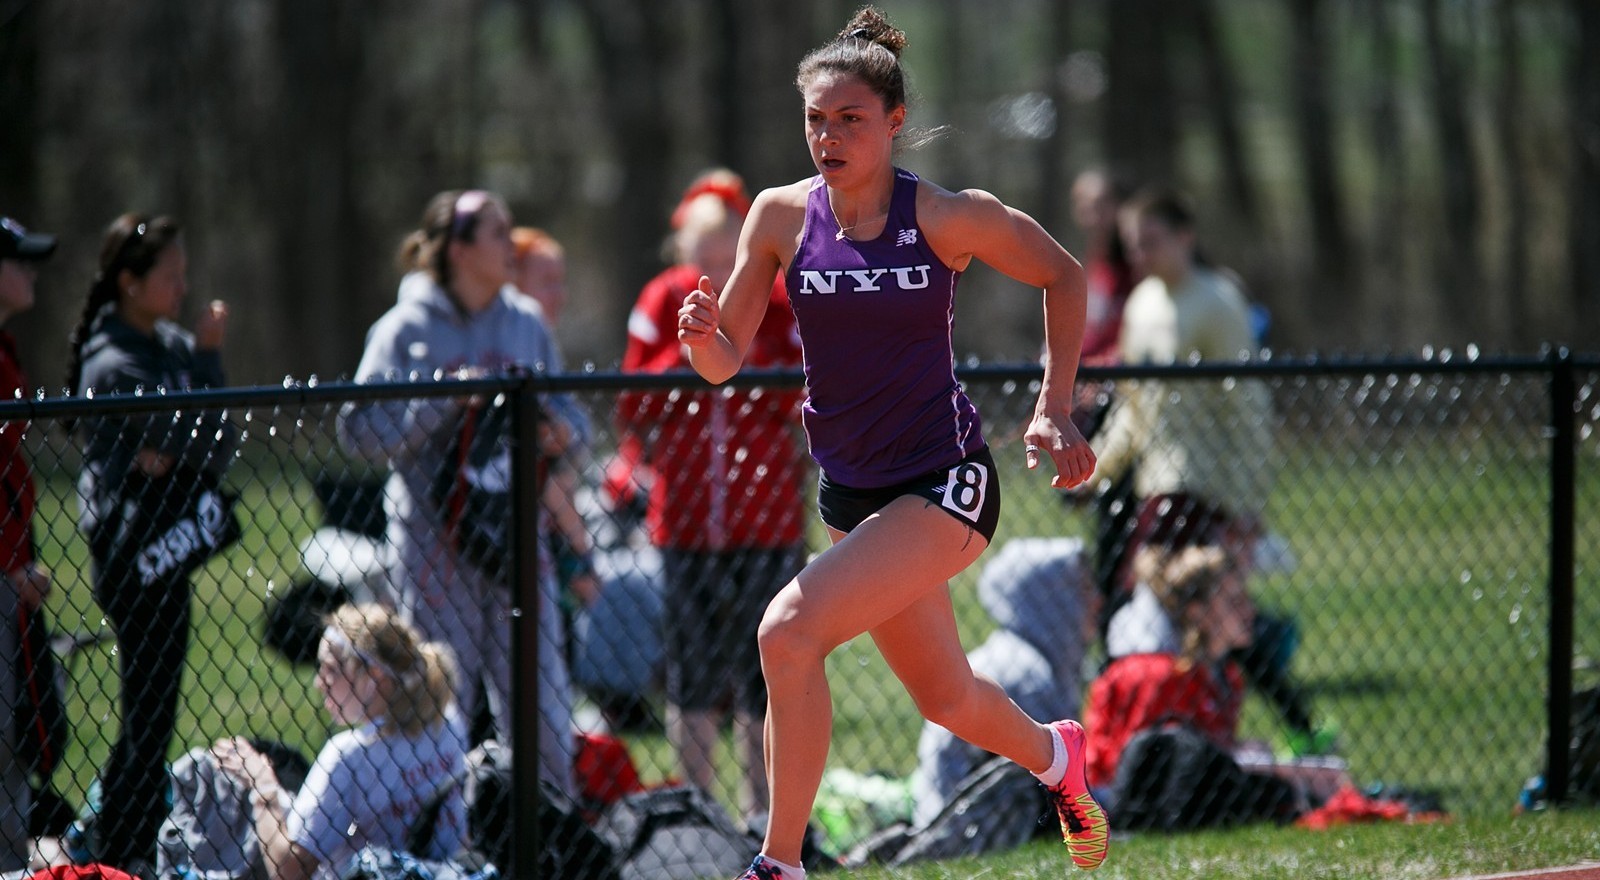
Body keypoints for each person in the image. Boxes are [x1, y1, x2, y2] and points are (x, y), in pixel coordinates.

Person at [675, 8, 1109, 875]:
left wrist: (1054, 406)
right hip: (853, 494)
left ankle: (780, 862)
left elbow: (1065, 273)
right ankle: (1060, 757)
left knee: (785, 632)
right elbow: (724, 363)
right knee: (947, 697)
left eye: (850, 120)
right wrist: (700, 342)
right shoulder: (779, 218)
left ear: (894, 121)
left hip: (947, 483)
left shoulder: (945, 216)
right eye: (815, 120)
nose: (828, 137)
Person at [338, 189, 588, 797]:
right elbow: (356, 431)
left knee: (543, 702)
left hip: (516, 539)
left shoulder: (524, 323)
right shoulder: (403, 331)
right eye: (498, 234)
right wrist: (443, 399)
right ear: (458, 248)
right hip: (435, 547)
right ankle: (443, 837)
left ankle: (552, 839)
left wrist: (558, 431)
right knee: (441, 702)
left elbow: (575, 420)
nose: (511, 245)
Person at [1087, 187, 1326, 752]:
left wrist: (1246, 505)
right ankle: (1176, 732)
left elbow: (1247, 409)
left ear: (1185, 237)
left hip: (1207, 488)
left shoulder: (1217, 302)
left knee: (1202, 616)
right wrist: (1096, 469)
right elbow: (1133, 404)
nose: (1140, 255)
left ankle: (1221, 733)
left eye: (1152, 242)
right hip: (1156, 487)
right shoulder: (1142, 304)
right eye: (1132, 245)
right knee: (1181, 617)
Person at [618, 169, 808, 818]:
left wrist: (744, 354)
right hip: (687, 524)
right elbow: (632, 403)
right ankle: (696, 810)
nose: (716, 251)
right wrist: (691, 349)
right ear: (682, 246)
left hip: (770, 524)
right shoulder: (660, 299)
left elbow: (809, 400)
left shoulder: (778, 301)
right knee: (692, 677)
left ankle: (764, 815)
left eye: (727, 235)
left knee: (768, 676)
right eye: (702, 238)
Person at [64, 212, 237, 872]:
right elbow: (183, 436)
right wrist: (202, 379)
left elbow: (213, 446)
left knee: (153, 714)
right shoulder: (114, 362)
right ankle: (123, 843)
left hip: (168, 542)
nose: (183, 288)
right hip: (132, 553)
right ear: (129, 283)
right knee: (146, 714)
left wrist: (203, 370)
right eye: (170, 277)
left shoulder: (167, 345)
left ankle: (115, 834)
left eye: (185, 275)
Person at [1082, 545, 1337, 830]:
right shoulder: (1158, 676)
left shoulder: (1226, 676)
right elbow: (1137, 770)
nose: (1249, 610)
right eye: (1233, 601)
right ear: (1197, 611)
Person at [214, 603, 468, 880]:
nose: (319, 683)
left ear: (375, 677)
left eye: (330, 669)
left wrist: (263, 785)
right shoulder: (447, 721)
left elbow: (289, 870)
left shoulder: (349, 756)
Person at [909, 537, 1098, 827]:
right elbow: (1058, 779)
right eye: (1081, 590)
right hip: (966, 824)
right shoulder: (1026, 671)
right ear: (1047, 598)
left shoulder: (1033, 656)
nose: (1096, 600)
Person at [1, 215, 57, 873]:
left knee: (17, 735)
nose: (31, 270)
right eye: (17, 260)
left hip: (11, 567)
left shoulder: (5, 350)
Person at [1065, 167, 1141, 632]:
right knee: (1102, 518)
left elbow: (1138, 337)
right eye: (1084, 205)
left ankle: (1120, 619)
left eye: (1100, 204)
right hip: (1091, 405)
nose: (1091, 216)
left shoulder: (1136, 267)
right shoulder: (1094, 267)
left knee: (1121, 519)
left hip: (1124, 407)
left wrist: (1101, 372)